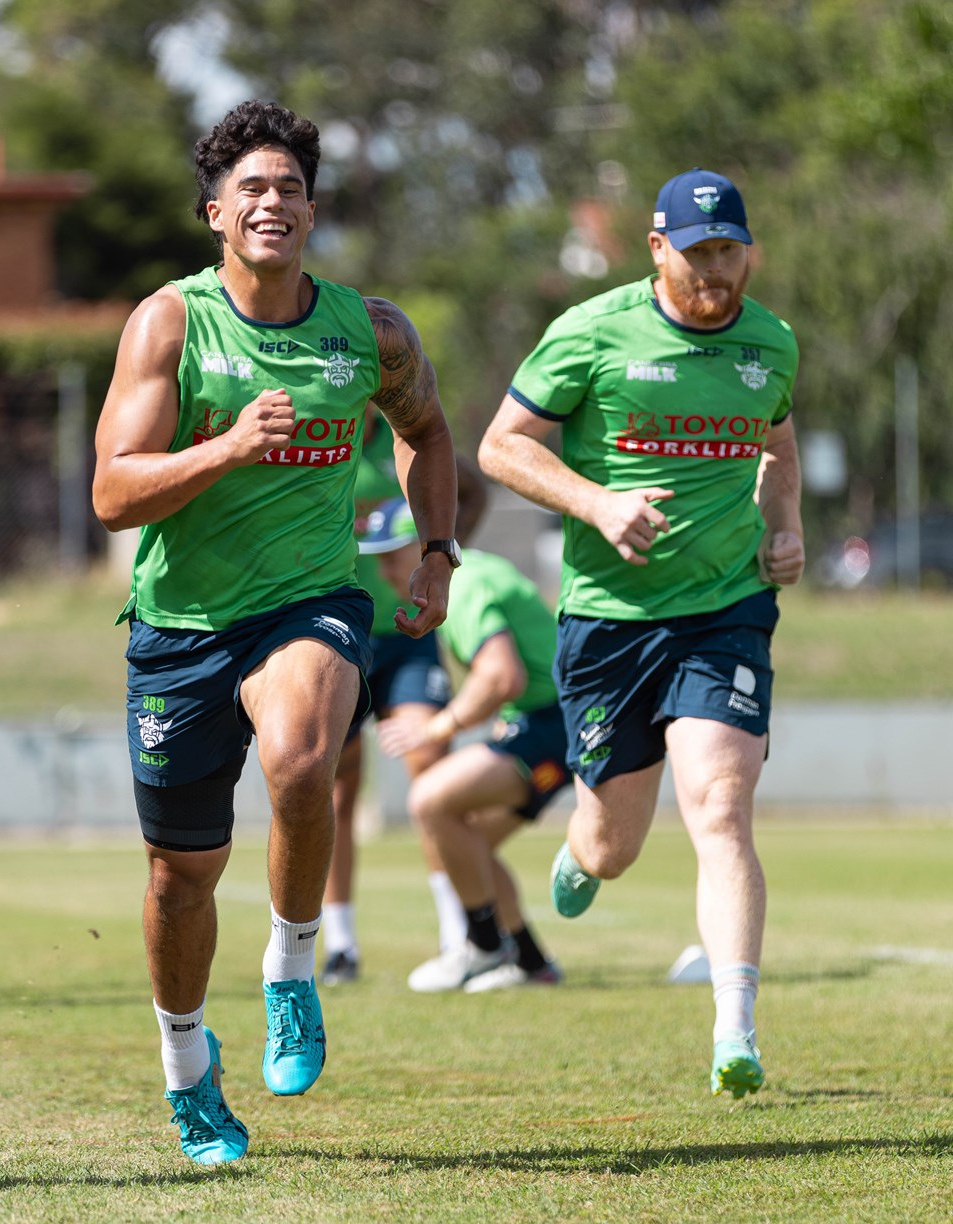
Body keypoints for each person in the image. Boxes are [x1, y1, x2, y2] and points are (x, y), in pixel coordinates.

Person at [92, 99, 458, 1166]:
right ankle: (188, 1073)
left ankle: (295, 970)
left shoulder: (369, 330)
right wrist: (229, 448)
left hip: (312, 600)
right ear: (215, 213)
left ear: (312, 212)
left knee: (305, 762)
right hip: (180, 627)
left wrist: (434, 552)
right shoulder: (170, 323)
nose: (272, 203)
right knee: (179, 878)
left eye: (290, 188)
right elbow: (113, 495)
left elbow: (427, 432)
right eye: (250, 188)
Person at [479, 169, 803, 1099]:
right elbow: (502, 445)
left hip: (726, 612)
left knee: (719, 804)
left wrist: (786, 527)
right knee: (615, 842)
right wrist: (597, 502)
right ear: (657, 248)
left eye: (730, 251)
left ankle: (733, 1029)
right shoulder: (590, 331)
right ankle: (583, 851)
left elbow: (777, 445)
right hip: (610, 625)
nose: (717, 271)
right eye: (698, 253)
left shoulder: (771, 342)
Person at [360, 497, 568, 993]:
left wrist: (436, 729)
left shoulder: (465, 584)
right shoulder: (476, 571)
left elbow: (502, 675)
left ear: (423, 546)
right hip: (551, 721)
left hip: (556, 725)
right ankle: (532, 962)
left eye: (392, 554)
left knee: (431, 798)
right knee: (469, 838)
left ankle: (483, 947)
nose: (385, 570)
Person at [321, 442, 490, 986]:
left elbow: (470, 484)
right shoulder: (319, 426)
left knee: (432, 773)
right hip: (337, 631)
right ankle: (340, 945)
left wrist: (444, 555)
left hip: (408, 631)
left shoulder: (403, 439)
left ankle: (457, 933)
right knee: (337, 792)